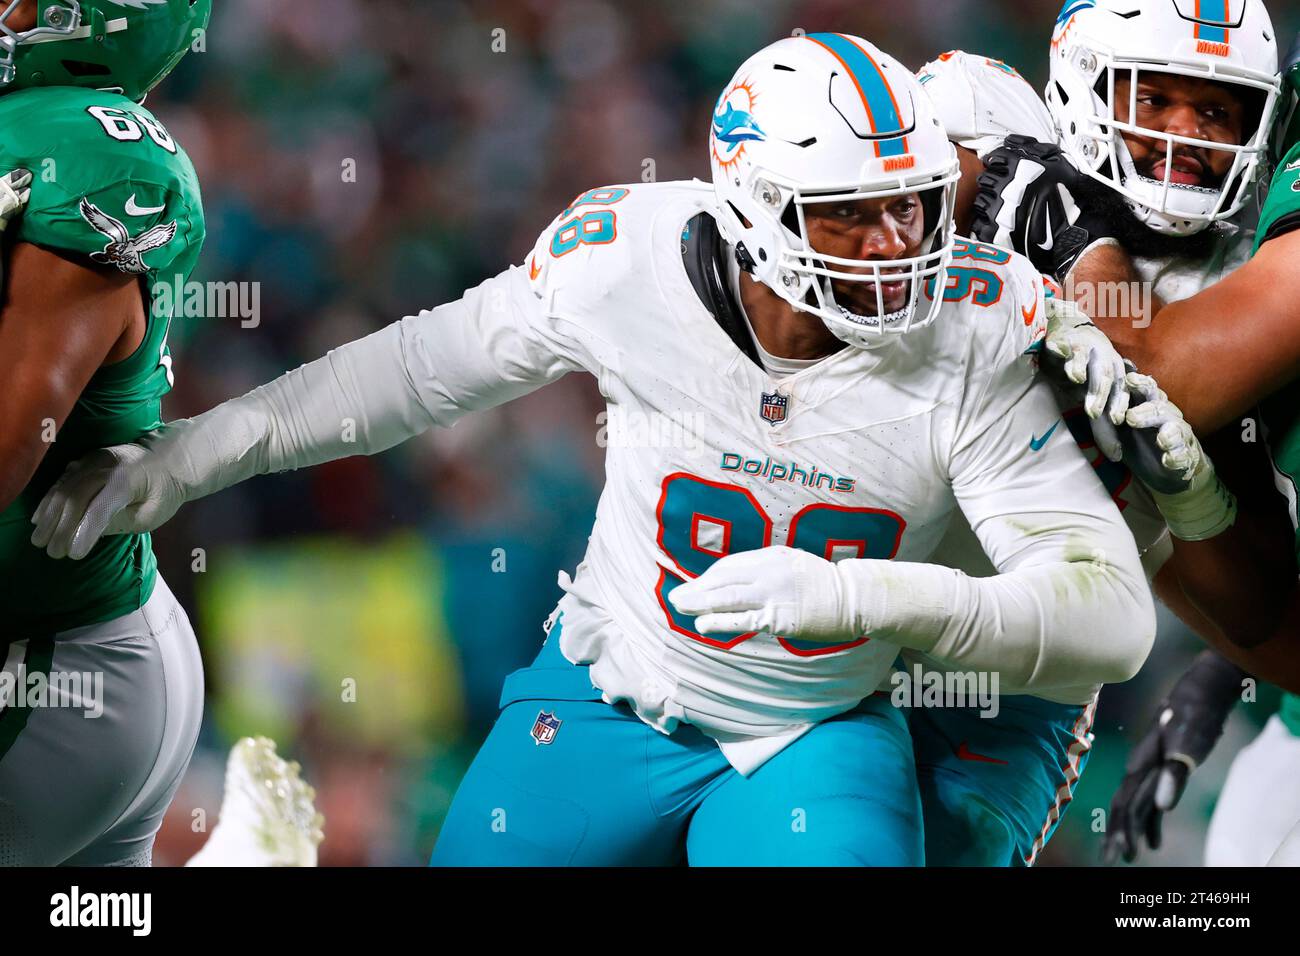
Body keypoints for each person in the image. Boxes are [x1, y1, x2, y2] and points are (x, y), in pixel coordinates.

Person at [30, 33, 1156, 866]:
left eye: (911, 208)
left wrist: (866, 592)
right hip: (614, 690)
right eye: (850, 216)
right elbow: (411, 372)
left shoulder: (970, 331)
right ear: (757, 208)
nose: (896, 245)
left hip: (810, 733)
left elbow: (1111, 614)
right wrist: (189, 456)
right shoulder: (627, 256)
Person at [931, 0, 1300, 863]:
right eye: (1153, 98)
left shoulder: (1193, 273)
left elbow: (1160, 381)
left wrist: (1060, 231)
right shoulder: (949, 156)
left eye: (1216, 109)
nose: (1184, 135)